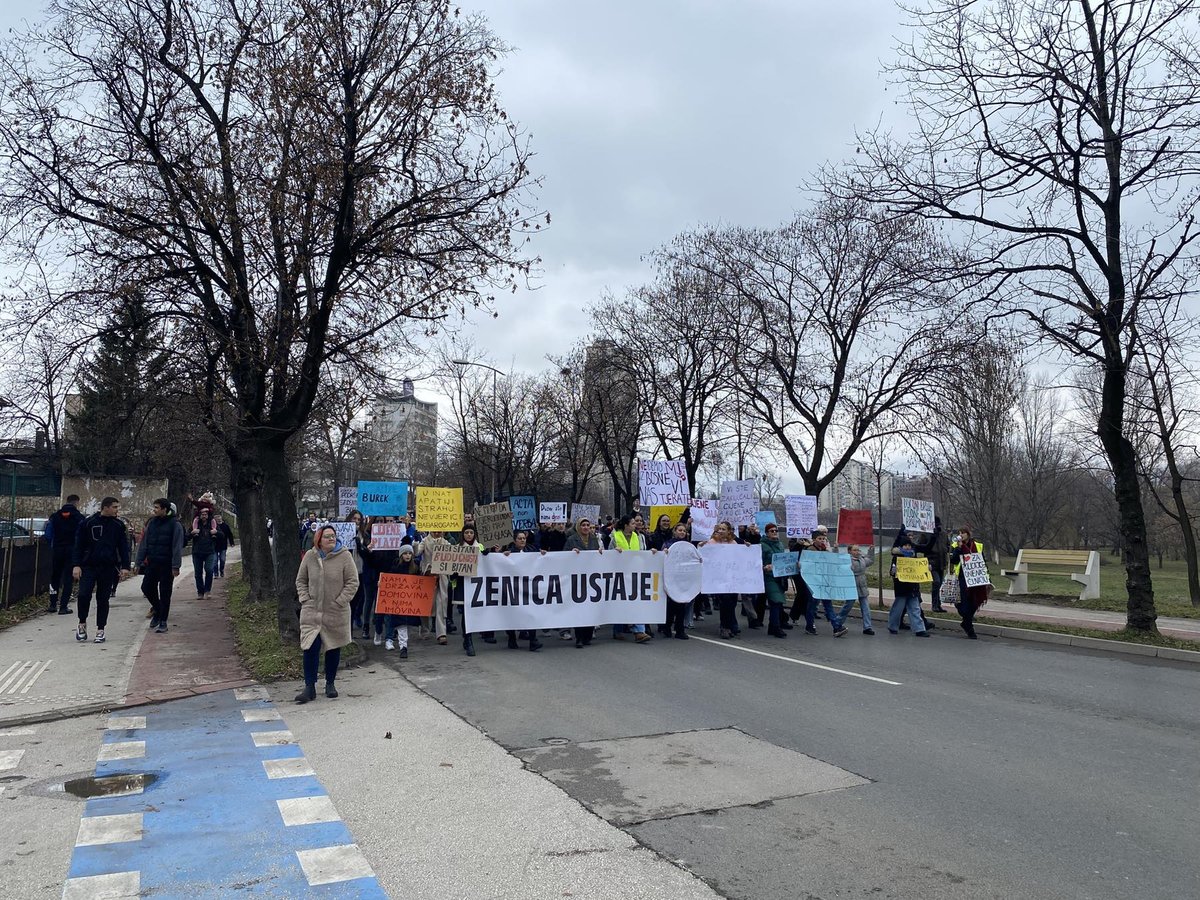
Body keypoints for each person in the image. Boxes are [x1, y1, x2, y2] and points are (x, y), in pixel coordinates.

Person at [295, 525, 358, 702]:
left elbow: (352, 582)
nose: (331, 539)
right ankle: (309, 687)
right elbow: (301, 580)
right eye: (327, 536)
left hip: (335, 611)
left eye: (333, 536)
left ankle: (330, 683)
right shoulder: (310, 556)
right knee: (310, 647)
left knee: (333, 646)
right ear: (319, 540)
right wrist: (305, 598)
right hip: (312, 611)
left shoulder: (345, 556)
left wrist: (340, 601)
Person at [72, 497, 131, 644]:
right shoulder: (88, 523)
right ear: (106, 507)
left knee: (103, 598)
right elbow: (78, 545)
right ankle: (82, 623)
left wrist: (125, 566)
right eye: (115, 507)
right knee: (84, 594)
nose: (117, 510)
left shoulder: (118, 525)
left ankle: (100, 629)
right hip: (88, 565)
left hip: (108, 566)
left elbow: (123, 547)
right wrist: (76, 565)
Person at [136, 498, 184, 633]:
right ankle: (157, 609)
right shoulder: (152, 523)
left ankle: (163, 621)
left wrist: (176, 566)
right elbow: (144, 543)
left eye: (157, 507)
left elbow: (177, 547)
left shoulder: (175, 524)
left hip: (167, 565)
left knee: (165, 592)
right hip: (152, 562)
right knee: (146, 587)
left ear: (164, 509)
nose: (154, 510)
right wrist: (139, 561)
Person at [609, 514, 652, 643]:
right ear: (626, 525)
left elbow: (643, 552)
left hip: (635, 573)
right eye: (633, 523)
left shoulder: (638, 537)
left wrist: (652, 553)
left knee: (636, 601)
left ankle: (639, 631)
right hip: (619, 574)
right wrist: (614, 551)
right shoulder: (615, 536)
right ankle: (617, 629)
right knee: (620, 602)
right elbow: (607, 554)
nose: (636, 525)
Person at [502, 531, 544, 651]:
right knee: (513, 613)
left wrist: (542, 554)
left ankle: (533, 640)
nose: (522, 540)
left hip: (528, 588)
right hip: (514, 588)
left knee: (530, 612)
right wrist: (502, 555)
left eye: (524, 538)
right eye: (520, 538)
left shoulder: (531, 550)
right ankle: (512, 638)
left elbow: (539, 560)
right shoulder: (510, 552)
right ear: (514, 540)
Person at [804, 527, 848, 637]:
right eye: (819, 538)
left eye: (823, 539)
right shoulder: (810, 550)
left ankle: (836, 627)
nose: (822, 540)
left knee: (828, 604)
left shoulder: (824, 550)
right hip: (813, 582)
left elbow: (832, 561)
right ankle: (810, 625)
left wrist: (834, 550)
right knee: (812, 605)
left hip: (823, 581)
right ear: (814, 540)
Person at [44, 494, 84, 615]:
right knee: (68, 578)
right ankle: (63, 606)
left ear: (67, 501)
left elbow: (48, 534)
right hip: (72, 551)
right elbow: (82, 535)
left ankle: (52, 604)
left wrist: (53, 545)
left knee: (55, 577)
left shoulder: (55, 516)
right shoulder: (79, 517)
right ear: (77, 502)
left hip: (57, 550)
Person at [565, 517, 602, 648]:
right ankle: (579, 637)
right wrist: (571, 553)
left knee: (590, 608)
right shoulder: (572, 539)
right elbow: (563, 556)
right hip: (578, 578)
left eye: (587, 525)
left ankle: (588, 636)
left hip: (591, 579)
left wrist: (600, 553)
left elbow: (597, 555)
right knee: (579, 609)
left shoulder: (593, 539)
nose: (586, 527)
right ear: (578, 527)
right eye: (583, 525)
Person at [703, 521, 742, 639]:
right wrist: (702, 547)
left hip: (731, 577)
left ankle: (730, 625)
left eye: (723, 529)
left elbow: (740, 557)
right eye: (719, 529)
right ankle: (724, 627)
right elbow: (706, 556)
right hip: (719, 578)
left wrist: (748, 547)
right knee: (725, 601)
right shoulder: (712, 542)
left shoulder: (733, 543)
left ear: (729, 531)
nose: (720, 531)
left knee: (732, 602)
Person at [452, 525, 485, 656]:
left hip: (478, 584)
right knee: (466, 614)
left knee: (476, 612)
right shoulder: (457, 548)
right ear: (463, 534)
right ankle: (468, 640)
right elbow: (451, 568)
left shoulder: (480, 547)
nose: (469, 535)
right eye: (467, 532)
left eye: (471, 532)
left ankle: (472, 637)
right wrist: (454, 573)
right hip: (463, 584)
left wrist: (489, 553)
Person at [950, 526, 988, 639]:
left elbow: (982, 561)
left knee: (974, 602)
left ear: (968, 534)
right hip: (962, 577)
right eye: (959, 533)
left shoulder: (977, 545)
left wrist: (986, 576)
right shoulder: (956, 545)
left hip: (976, 577)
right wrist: (959, 548)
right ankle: (969, 627)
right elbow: (953, 560)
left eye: (963, 533)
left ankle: (966, 622)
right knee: (964, 602)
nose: (961, 535)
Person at [889, 535, 930, 637]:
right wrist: (894, 571)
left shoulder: (913, 557)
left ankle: (919, 629)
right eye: (905, 545)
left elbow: (918, 569)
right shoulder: (897, 558)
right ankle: (893, 626)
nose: (907, 547)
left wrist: (926, 569)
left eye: (909, 545)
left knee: (915, 609)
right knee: (898, 609)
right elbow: (892, 572)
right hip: (901, 587)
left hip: (913, 587)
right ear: (901, 546)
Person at [663, 522, 698, 639]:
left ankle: (679, 629)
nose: (682, 532)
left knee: (682, 604)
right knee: (671, 604)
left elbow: (694, 559)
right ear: (675, 531)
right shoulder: (668, 544)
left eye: (684, 531)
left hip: (683, 578)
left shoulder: (689, 546)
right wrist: (665, 553)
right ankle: (667, 627)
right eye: (680, 530)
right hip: (672, 577)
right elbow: (662, 558)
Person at [420, 529, 453, 645]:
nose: (437, 533)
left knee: (441, 604)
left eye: (439, 531)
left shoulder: (446, 543)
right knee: (425, 604)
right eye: (435, 531)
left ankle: (441, 633)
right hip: (428, 575)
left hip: (441, 577)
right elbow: (417, 552)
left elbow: (453, 555)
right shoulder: (425, 541)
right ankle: (425, 630)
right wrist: (414, 544)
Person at [759, 523, 790, 638]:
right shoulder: (762, 546)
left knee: (777, 602)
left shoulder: (780, 544)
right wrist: (764, 567)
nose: (774, 532)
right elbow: (757, 561)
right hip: (768, 577)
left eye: (776, 531)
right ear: (767, 533)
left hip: (779, 577)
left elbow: (784, 559)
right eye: (771, 531)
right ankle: (776, 627)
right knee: (776, 601)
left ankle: (773, 626)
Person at [841, 545, 875, 635]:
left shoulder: (862, 559)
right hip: (852, 585)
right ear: (849, 551)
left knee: (866, 608)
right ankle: (838, 623)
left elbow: (870, 561)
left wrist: (871, 551)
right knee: (847, 606)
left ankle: (867, 627)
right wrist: (836, 548)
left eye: (858, 550)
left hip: (862, 585)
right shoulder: (846, 560)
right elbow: (836, 561)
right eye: (854, 550)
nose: (857, 552)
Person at [189, 508, 218, 598]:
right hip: (197, 552)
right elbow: (187, 537)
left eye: (205, 514)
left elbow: (222, 535)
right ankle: (200, 592)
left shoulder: (212, 524)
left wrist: (216, 532)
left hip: (209, 551)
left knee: (209, 570)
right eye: (202, 514)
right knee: (198, 573)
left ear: (208, 515)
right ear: (199, 515)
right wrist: (192, 533)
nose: (204, 516)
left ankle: (207, 590)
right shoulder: (195, 524)